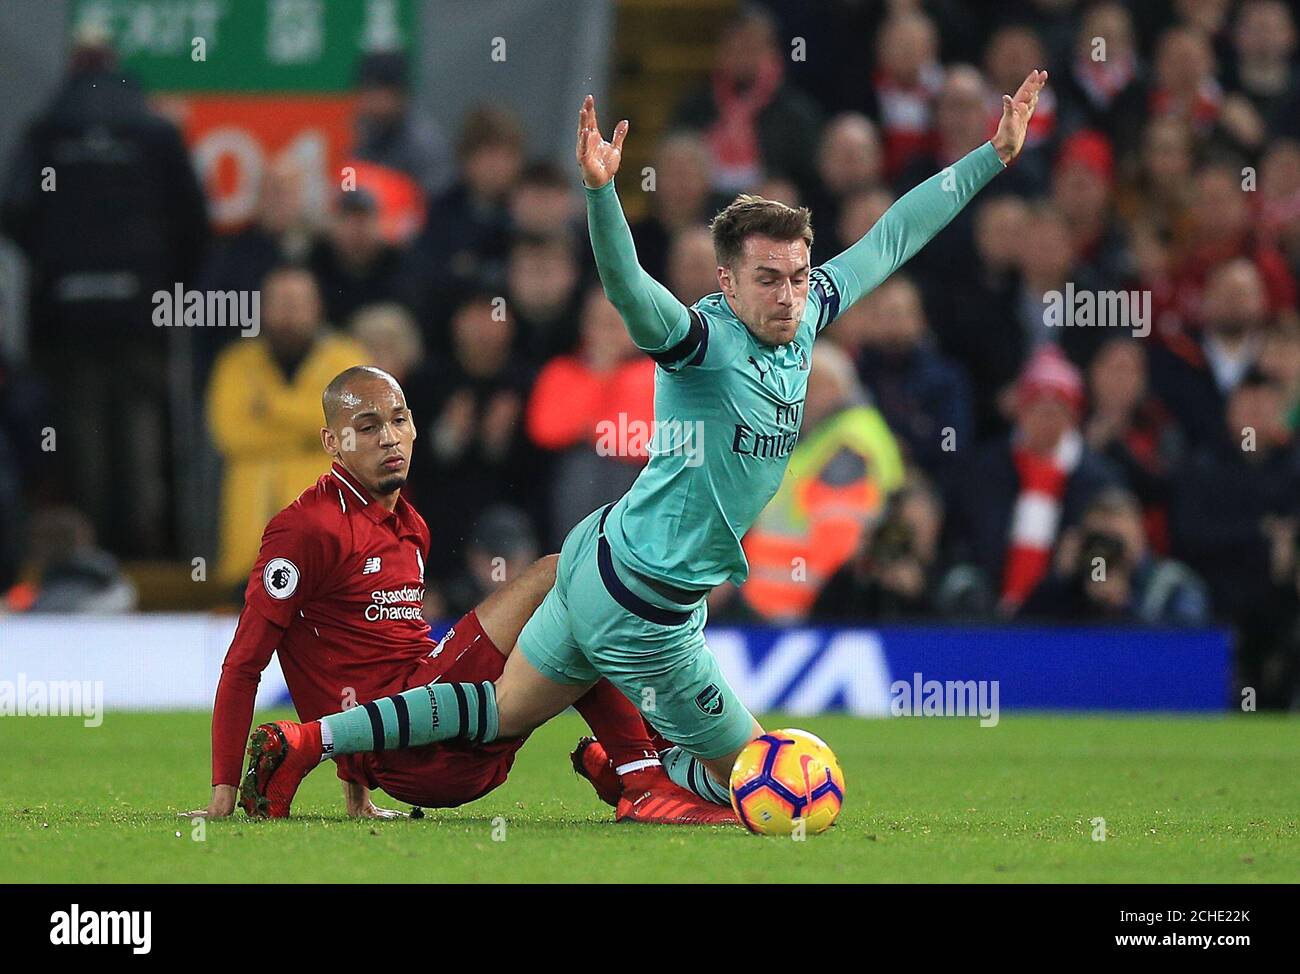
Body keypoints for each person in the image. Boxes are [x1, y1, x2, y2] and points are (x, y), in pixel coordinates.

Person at [241, 72, 1049, 816]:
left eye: (799, 275)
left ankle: (306, 742)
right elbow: (630, 291)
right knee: (769, 785)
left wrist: (992, 154)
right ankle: (640, 772)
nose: (791, 293)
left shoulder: (806, 318)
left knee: (493, 711)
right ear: (726, 282)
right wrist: (602, 195)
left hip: (601, 557)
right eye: (768, 278)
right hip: (644, 613)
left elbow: (891, 237)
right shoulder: (701, 340)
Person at [189, 366, 732, 825]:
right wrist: (222, 793)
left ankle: (634, 769)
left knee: (579, 616)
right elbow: (245, 662)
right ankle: (642, 775)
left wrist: (358, 798)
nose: (389, 437)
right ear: (333, 442)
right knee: (558, 573)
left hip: (453, 746)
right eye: (367, 426)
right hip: (414, 751)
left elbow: (363, 653)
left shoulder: (412, 526)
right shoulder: (305, 529)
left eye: (399, 420)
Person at [206, 266, 366, 587]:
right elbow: (229, 434)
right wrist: (313, 435)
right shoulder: (235, 363)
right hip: (251, 548)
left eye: (298, 303)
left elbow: (355, 425)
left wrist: (270, 409)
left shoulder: (347, 359)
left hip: (332, 544)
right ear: (263, 308)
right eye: (279, 302)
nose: (288, 313)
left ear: (317, 307)